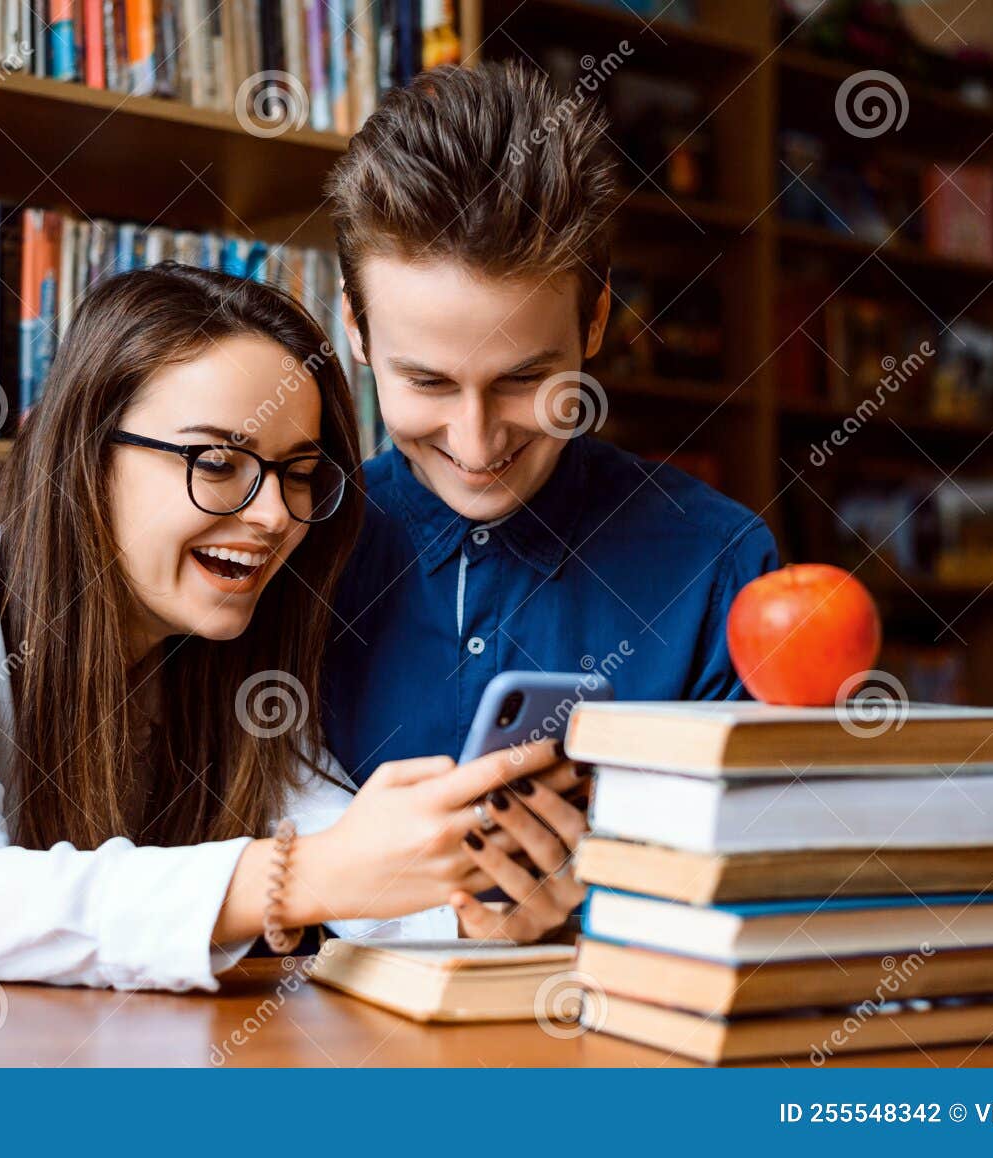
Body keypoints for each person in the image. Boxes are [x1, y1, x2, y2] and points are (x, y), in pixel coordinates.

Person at [0, 264, 572, 990]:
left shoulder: (229, 664)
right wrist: (302, 878)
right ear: (87, 451)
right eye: (218, 462)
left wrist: (476, 909)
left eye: (300, 474)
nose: (272, 517)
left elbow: (354, 859)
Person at [322, 64, 781, 937]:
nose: (476, 442)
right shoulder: (286, 548)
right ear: (355, 328)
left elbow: (764, 887)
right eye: (425, 381)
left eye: (525, 380)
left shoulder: (720, 565)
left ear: (597, 322)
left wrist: (604, 902)